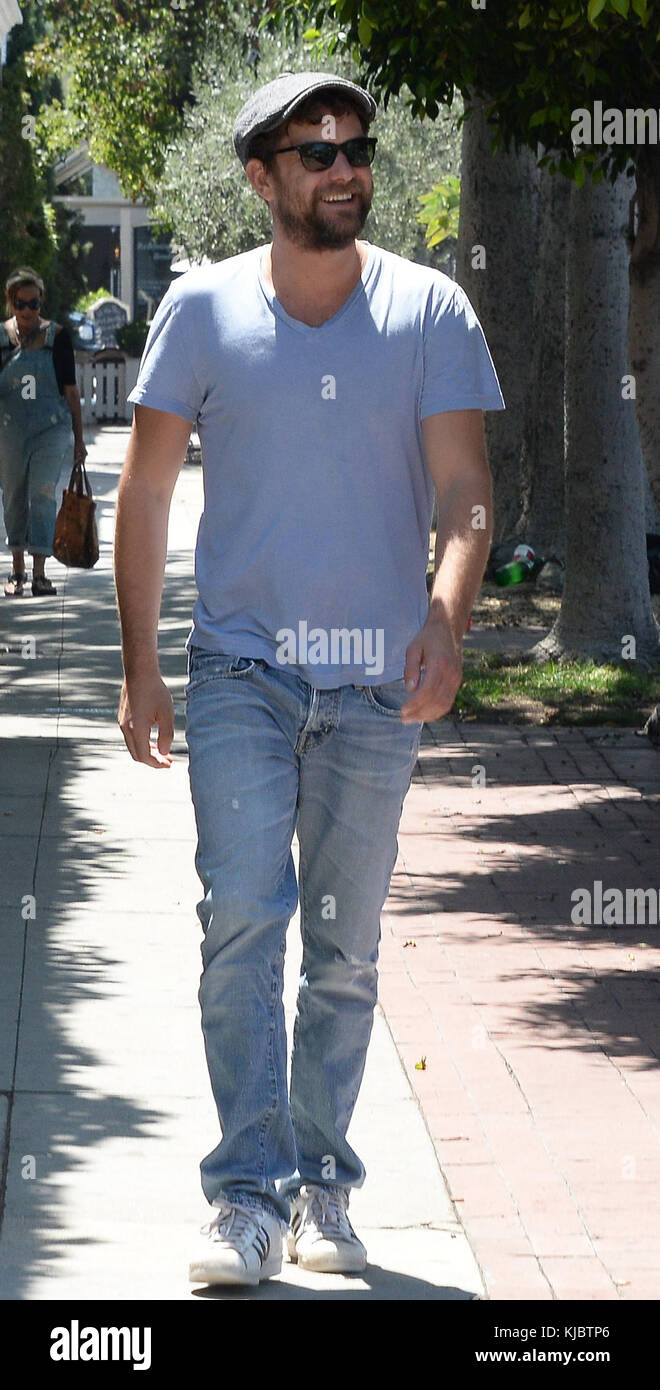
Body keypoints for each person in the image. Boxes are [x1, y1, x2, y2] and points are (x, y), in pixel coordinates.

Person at [114, 71, 505, 1288]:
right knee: (243, 919)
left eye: (356, 146)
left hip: (376, 683)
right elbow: (143, 493)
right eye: (314, 148)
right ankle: (245, 1193)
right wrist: (138, 668)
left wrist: (446, 613)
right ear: (261, 176)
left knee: (343, 946)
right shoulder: (200, 310)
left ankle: (325, 1185)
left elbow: (466, 492)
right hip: (240, 666)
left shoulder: (432, 309)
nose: (344, 166)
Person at [0, 267, 87, 597]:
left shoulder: (57, 338)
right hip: (9, 432)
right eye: (21, 305)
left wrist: (79, 440)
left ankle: (39, 572)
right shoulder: (1, 338)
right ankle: (17, 570)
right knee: (13, 497)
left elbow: (71, 391)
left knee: (42, 493)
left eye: (33, 304)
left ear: (42, 303)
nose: (27, 312)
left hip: (49, 431)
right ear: (11, 303)